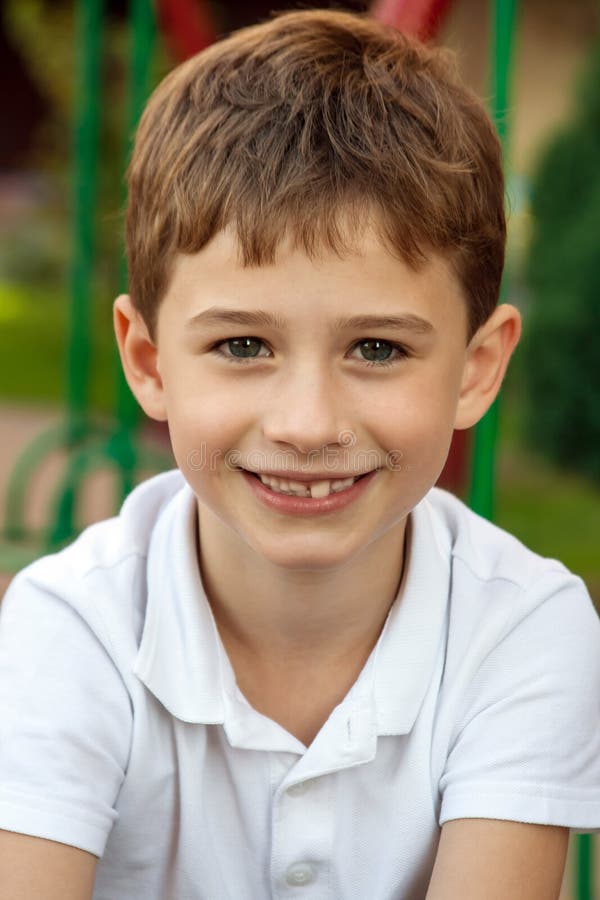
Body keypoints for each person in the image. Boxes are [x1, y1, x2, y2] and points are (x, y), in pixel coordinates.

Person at [1, 8, 599, 899]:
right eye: (243, 346)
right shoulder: (70, 630)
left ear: (477, 370)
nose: (308, 423)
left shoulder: (523, 631)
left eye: (378, 349)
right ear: (149, 361)